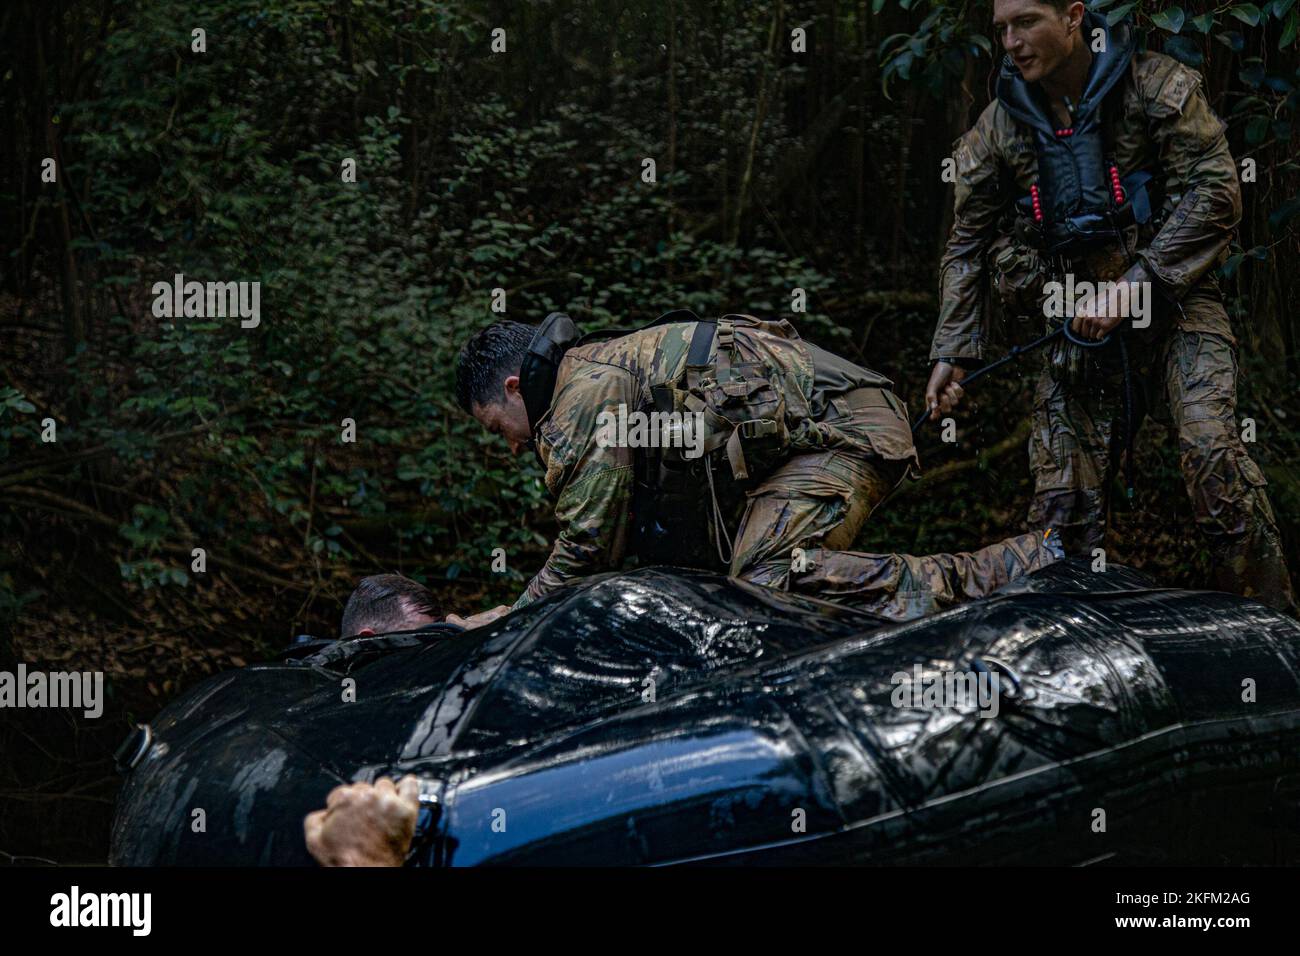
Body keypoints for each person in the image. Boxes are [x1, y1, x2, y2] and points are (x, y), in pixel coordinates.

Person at [924, 0, 1295, 614]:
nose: (1012, 42)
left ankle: (1275, 630)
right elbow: (967, 242)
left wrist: (1137, 283)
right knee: (1062, 509)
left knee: (1213, 458)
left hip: (1177, 305)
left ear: (1073, 17)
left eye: (1027, 23)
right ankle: (1074, 658)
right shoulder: (999, 126)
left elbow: (1217, 189)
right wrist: (953, 351)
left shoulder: (1155, 86)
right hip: (1074, 324)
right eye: (1003, 30)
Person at [454, 312, 1061, 621]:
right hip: (815, 438)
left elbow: (589, 542)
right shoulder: (597, 374)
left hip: (843, 432)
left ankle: (1013, 570)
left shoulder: (579, 393)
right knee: (731, 588)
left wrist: (512, 616)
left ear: (514, 387)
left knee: (770, 581)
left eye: (495, 427)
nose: (509, 444)